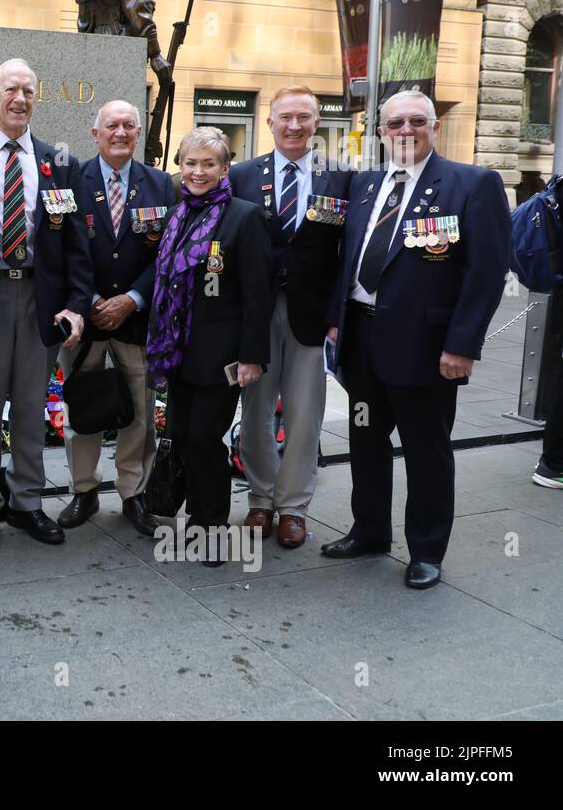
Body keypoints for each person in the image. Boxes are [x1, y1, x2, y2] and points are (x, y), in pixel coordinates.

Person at [324, 90, 511, 589]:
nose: (405, 131)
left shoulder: (472, 184)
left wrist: (463, 345)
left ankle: (427, 550)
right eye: (395, 123)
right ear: (381, 132)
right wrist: (335, 321)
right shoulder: (364, 185)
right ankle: (369, 531)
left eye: (416, 122)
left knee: (426, 450)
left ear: (433, 128)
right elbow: (346, 260)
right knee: (365, 440)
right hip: (362, 338)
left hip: (427, 348)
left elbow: (485, 273)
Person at [0, 58, 92, 556]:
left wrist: (76, 306)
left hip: (40, 301)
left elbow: (76, 244)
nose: (20, 99)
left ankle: (27, 501)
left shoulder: (58, 161)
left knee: (31, 407)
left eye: (28, 91)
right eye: (11, 89)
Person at [228, 86, 352, 548]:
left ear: (316, 122)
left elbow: (348, 253)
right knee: (255, 409)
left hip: (310, 313)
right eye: (286, 117)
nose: (295, 126)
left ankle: (294, 507)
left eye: (304, 117)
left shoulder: (340, 177)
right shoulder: (241, 175)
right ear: (270, 122)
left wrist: (338, 313)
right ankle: (260, 499)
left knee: (303, 414)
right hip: (254, 313)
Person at [145, 127, 271, 566]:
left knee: (203, 438)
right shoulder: (179, 214)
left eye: (209, 164)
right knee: (182, 436)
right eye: (191, 163)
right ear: (181, 166)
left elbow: (259, 295)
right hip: (177, 353)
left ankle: (211, 528)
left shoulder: (244, 216)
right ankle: (195, 518)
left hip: (221, 357)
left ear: (224, 168)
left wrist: (252, 357)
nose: (198, 172)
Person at [58, 100, 172, 534]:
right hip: (84, 318)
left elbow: (168, 252)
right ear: (95, 134)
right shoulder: (72, 180)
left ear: (138, 132)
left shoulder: (161, 184)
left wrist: (133, 298)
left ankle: (134, 493)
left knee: (140, 411)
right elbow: (64, 247)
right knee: (81, 405)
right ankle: (84, 490)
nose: (120, 132)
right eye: (112, 126)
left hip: (136, 317)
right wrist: (86, 301)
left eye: (129, 125)